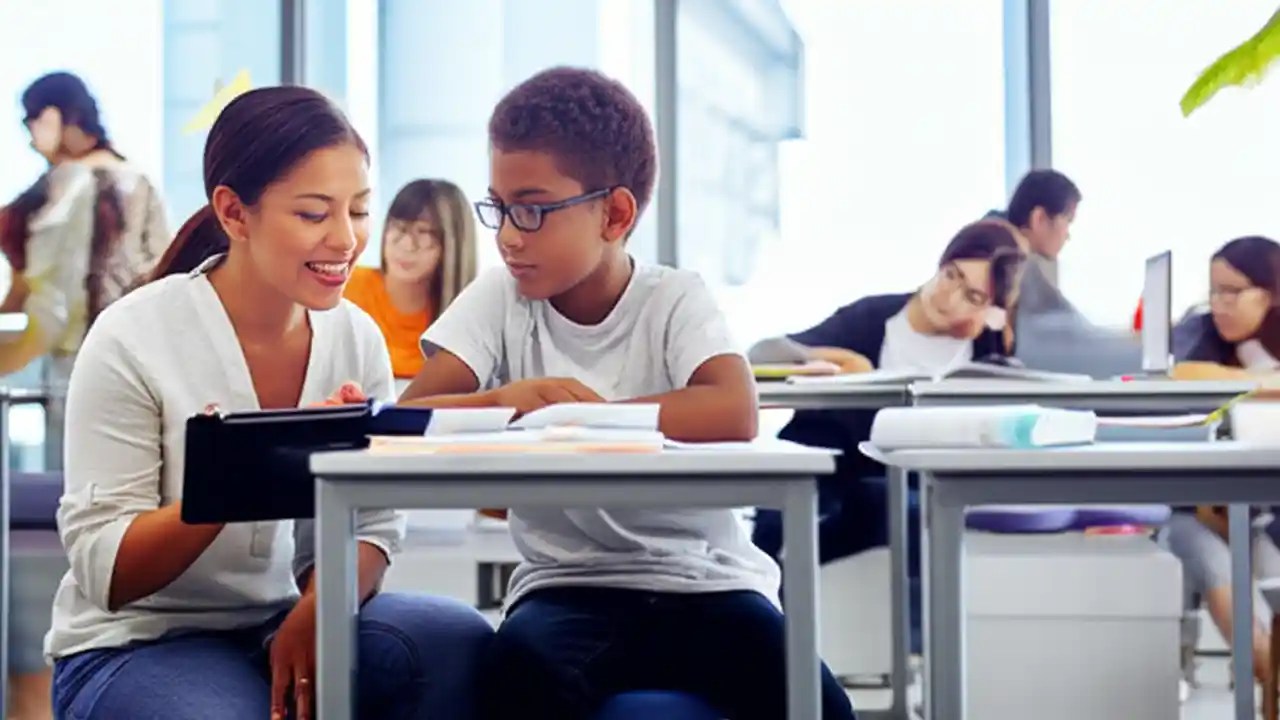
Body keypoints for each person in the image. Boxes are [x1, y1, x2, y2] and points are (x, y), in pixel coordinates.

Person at [398, 66, 856, 720]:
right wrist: (513, 399)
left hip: (707, 584)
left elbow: (733, 406)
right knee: (513, 681)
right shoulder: (500, 297)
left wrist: (576, 418)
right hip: (566, 590)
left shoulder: (672, 297)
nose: (507, 235)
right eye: (498, 208)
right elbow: (408, 418)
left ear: (614, 213)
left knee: (823, 706)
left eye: (530, 208)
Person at [45, 85, 493, 720]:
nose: (346, 239)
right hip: (139, 644)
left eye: (359, 211)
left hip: (279, 617)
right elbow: (106, 573)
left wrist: (319, 608)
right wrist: (242, 474)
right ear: (234, 212)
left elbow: (374, 527)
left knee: (455, 642)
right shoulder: (131, 336)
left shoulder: (354, 337)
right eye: (314, 214)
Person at [0, 71, 168, 720]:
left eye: (30, 119)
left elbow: (50, 306)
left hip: (72, 385)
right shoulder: (140, 180)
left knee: (55, 548)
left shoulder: (72, 187)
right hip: (143, 384)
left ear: (58, 116)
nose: (28, 135)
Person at [748, 221, 1025, 567]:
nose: (949, 297)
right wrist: (842, 360)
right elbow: (761, 355)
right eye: (951, 275)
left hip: (922, 486)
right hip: (837, 475)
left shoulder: (988, 354)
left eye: (973, 296)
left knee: (919, 514)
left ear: (994, 314)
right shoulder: (870, 318)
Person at [1161, 236, 1280, 684]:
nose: (1220, 304)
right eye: (1214, 290)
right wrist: (1263, 381)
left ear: (1268, 294)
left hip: (1264, 511)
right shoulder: (1201, 329)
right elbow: (1183, 375)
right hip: (1199, 511)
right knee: (1213, 558)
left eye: (1233, 292)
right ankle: (1269, 676)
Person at [344, 178, 477, 380]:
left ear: (451, 245)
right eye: (399, 228)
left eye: (424, 233)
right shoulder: (347, 287)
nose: (407, 245)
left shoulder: (468, 316)